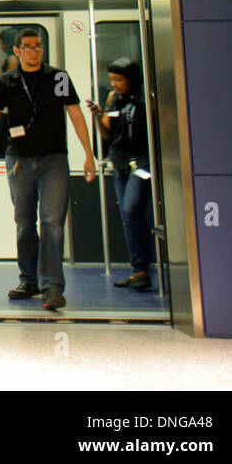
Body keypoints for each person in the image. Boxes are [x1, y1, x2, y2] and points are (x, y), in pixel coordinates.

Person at [0, 28, 96, 311]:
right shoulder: (6, 82)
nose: (33, 51)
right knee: (25, 224)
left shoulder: (58, 78)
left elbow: (75, 114)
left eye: (38, 46)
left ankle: (52, 287)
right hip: (19, 162)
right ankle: (29, 280)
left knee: (52, 223)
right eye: (27, 47)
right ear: (17, 51)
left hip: (54, 160)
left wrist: (89, 154)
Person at [87, 57, 154, 290]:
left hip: (144, 161)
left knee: (131, 208)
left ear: (131, 79)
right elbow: (106, 135)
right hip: (121, 162)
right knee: (128, 216)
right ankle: (140, 270)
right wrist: (97, 115)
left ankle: (143, 267)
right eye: (112, 80)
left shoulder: (147, 99)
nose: (114, 84)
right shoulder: (112, 99)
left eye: (119, 80)